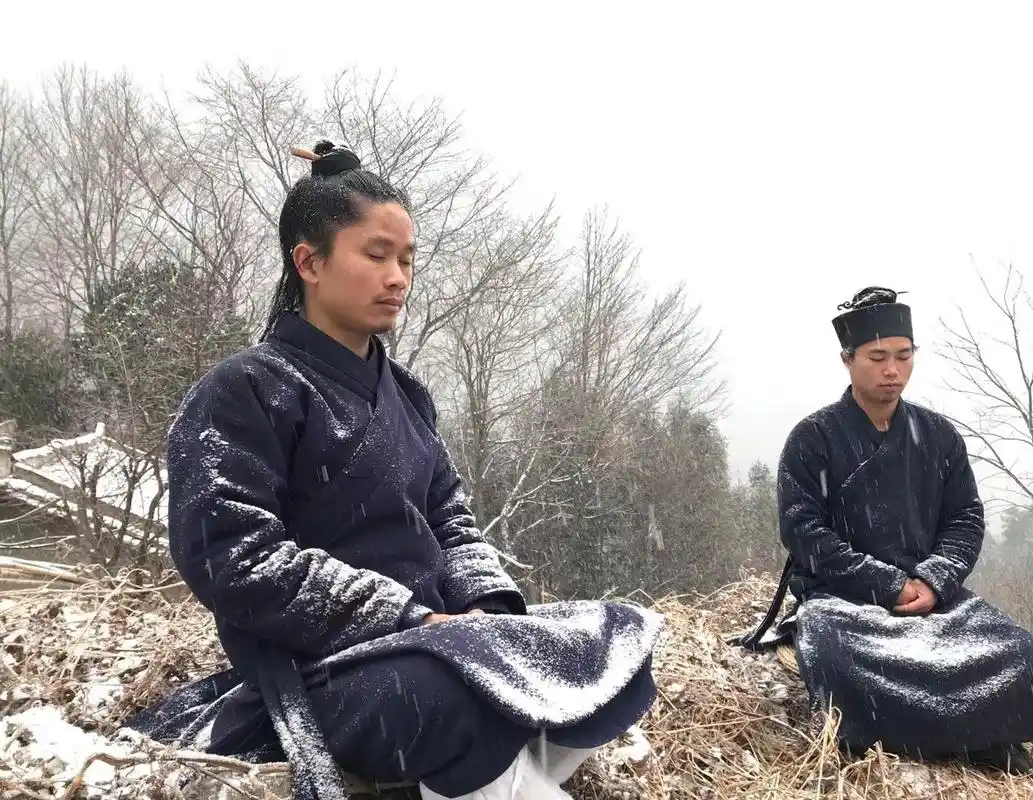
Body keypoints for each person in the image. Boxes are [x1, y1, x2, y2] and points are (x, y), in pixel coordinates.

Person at [124, 140, 662, 800]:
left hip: (434, 638)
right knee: (447, 696)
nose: (398, 276)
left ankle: (472, 781)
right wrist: (406, 619)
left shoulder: (408, 397)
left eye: (406, 259)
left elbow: (450, 519)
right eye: (375, 255)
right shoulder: (244, 389)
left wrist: (484, 611)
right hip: (327, 664)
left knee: (616, 642)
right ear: (309, 262)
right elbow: (234, 555)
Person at [763, 286, 1033, 774]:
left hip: (935, 595)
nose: (892, 370)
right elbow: (804, 532)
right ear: (848, 360)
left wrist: (934, 579)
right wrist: (885, 584)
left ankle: (950, 734)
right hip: (844, 598)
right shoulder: (813, 438)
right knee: (838, 664)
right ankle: (971, 736)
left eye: (903, 356)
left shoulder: (938, 437)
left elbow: (965, 519)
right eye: (877, 357)